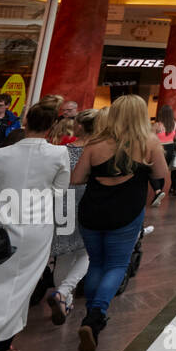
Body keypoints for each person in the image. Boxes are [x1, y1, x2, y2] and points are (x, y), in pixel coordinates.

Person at [0, 103, 70, 351]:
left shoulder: (0, 155)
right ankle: (3, 350)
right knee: (21, 286)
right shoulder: (59, 154)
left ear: (25, 121)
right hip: (37, 229)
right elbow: (60, 193)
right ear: (51, 127)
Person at [72, 94, 169, 351]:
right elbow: (161, 177)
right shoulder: (148, 142)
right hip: (125, 214)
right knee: (116, 264)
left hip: (92, 211)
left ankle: (91, 316)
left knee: (96, 263)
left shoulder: (95, 143)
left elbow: (77, 178)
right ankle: (95, 316)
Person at [45, 108, 104, 326]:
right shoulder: (98, 151)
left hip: (63, 203)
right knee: (86, 253)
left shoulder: (63, 151)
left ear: (79, 126)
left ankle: (66, 301)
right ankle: (64, 291)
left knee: (63, 253)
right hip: (88, 204)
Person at [153, 105, 176, 206]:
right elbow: (175, 137)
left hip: (160, 148)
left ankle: (157, 192)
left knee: (154, 171)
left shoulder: (157, 125)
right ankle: (159, 193)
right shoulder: (174, 124)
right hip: (170, 148)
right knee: (163, 171)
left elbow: (150, 138)